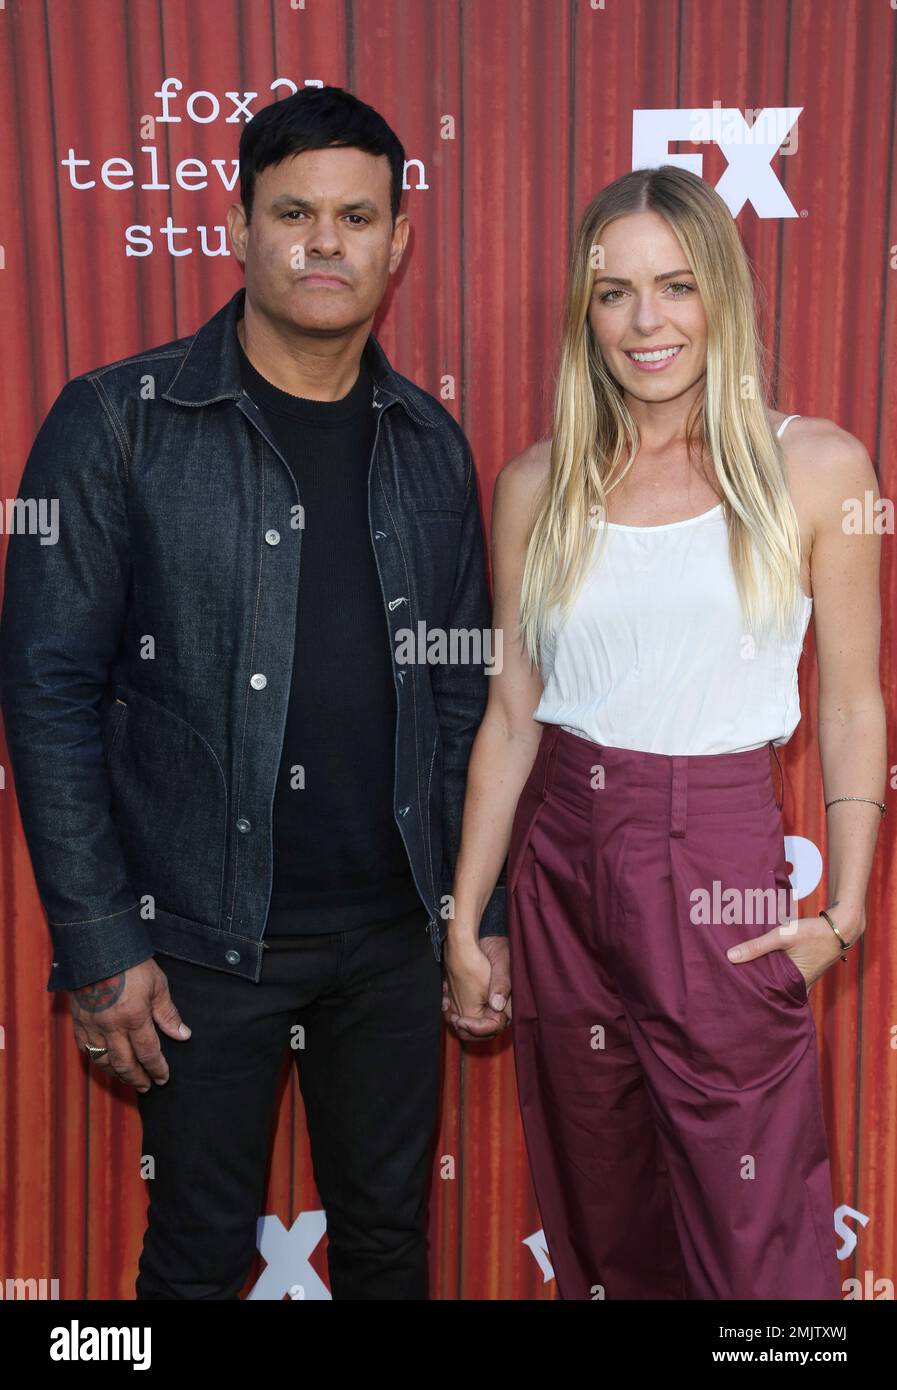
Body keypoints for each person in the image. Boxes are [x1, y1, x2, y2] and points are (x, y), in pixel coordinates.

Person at [0, 85, 507, 1300]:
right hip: (198, 940)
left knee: (389, 1247)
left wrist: (464, 913)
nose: (325, 240)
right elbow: (48, 692)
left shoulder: (431, 444)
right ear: (236, 226)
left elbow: (458, 702)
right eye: (293, 211)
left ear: (400, 239)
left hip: (388, 939)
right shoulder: (119, 421)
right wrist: (100, 942)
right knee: (195, 1258)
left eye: (354, 215)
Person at [442, 165, 886, 1299]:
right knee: (601, 1208)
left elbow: (849, 701)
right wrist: (467, 915)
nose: (648, 322)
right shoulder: (536, 484)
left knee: (755, 1227)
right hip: (559, 864)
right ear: (583, 313)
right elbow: (509, 717)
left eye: (677, 287)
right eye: (615, 292)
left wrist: (845, 908)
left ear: (722, 298)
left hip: (715, 855)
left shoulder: (816, 468)